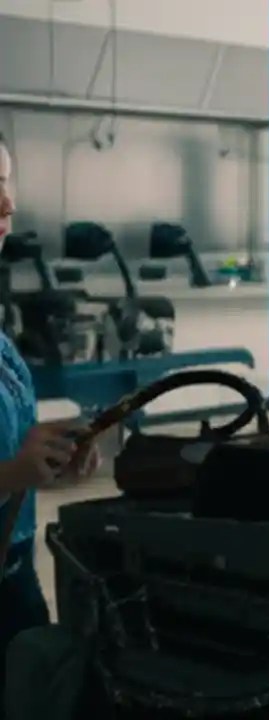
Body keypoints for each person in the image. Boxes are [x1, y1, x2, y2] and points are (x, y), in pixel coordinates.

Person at [0, 131, 101, 707]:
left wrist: (51, 463)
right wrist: (13, 473)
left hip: (14, 578)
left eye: (7, 183)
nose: (8, 204)